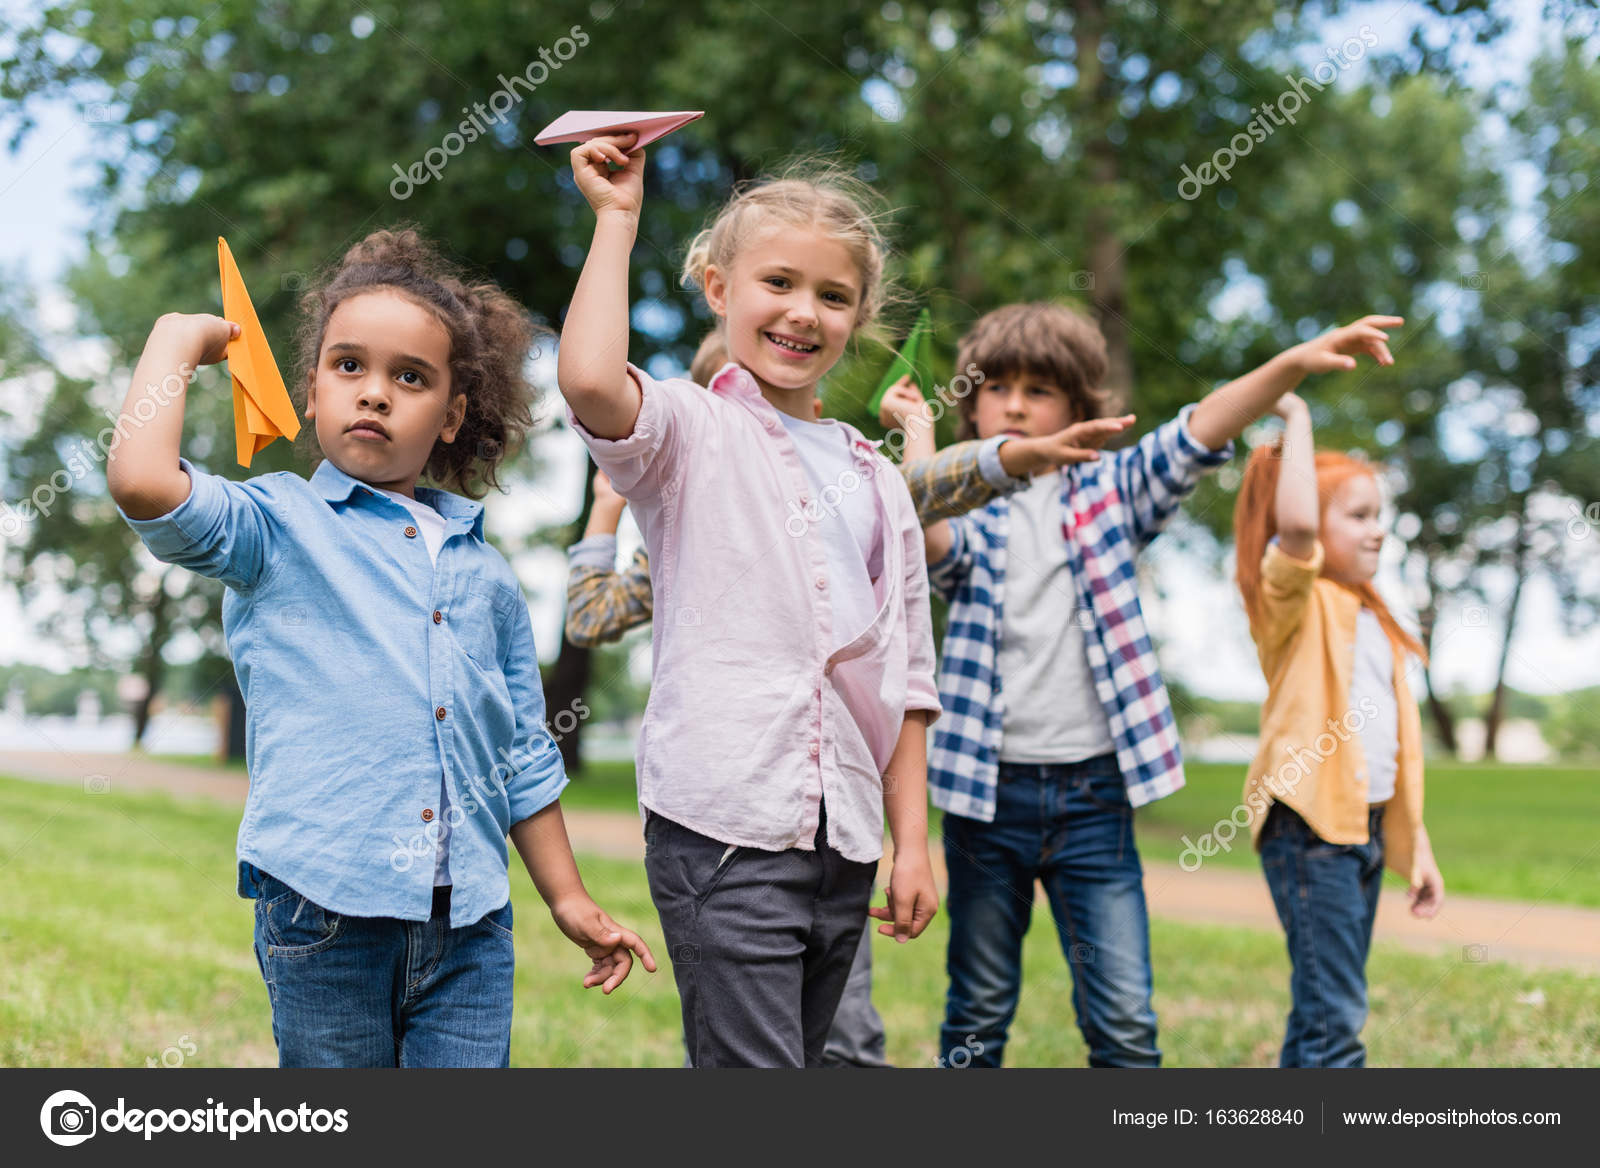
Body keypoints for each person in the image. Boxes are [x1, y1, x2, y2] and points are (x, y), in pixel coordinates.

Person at [108, 228, 653, 1067]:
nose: (374, 394)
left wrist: (569, 898)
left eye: (410, 377)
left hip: (470, 928)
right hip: (323, 915)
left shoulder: (489, 577)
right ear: (312, 389)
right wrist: (179, 340)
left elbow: (521, 756)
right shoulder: (276, 526)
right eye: (348, 366)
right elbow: (145, 484)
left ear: (452, 415)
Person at [925, 301, 1406, 1067]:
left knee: (1123, 1024)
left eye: (1039, 389)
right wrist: (920, 435)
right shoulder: (969, 507)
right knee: (976, 1013)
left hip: (1093, 800)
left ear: (1079, 408)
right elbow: (930, 534)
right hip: (987, 801)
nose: (1015, 403)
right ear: (972, 404)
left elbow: (1201, 427)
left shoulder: (1111, 490)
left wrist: (1289, 365)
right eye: (996, 387)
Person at [557, 131, 943, 1067]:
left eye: (833, 295)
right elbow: (591, 381)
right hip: (723, 829)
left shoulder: (877, 480)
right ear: (720, 289)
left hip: (843, 840)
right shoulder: (691, 431)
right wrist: (617, 219)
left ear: (861, 315)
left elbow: (910, 679)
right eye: (778, 283)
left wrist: (912, 842)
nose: (803, 312)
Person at [1233, 385, 1444, 1067]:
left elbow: (1393, 751)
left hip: (1366, 827)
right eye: (1357, 514)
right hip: (1309, 826)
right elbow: (1294, 528)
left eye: (1379, 514)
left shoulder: (1376, 616)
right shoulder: (1294, 599)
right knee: (1338, 1012)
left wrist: (1420, 850)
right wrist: (1296, 415)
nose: (1378, 528)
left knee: (1322, 1005)